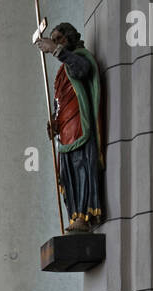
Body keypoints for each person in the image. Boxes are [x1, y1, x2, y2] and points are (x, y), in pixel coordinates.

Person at [35, 22, 104, 232]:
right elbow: (60, 101)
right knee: (67, 176)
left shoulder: (81, 58)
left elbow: (82, 70)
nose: (56, 43)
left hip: (80, 128)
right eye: (53, 40)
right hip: (65, 132)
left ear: (70, 38)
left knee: (82, 169)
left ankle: (84, 215)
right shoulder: (61, 72)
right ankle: (74, 215)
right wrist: (55, 122)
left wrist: (56, 51)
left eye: (59, 39)